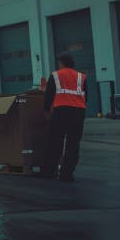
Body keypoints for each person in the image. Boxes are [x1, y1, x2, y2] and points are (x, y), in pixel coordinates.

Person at [42, 53, 87, 182]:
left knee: (55, 142)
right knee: (73, 144)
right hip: (78, 112)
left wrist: (46, 111)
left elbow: (49, 95)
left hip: (61, 111)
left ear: (61, 62)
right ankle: (67, 174)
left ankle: (50, 172)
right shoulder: (81, 76)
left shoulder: (56, 75)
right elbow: (86, 96)